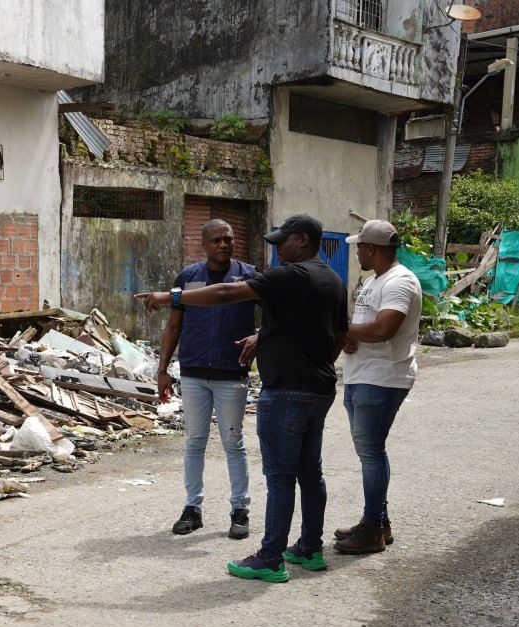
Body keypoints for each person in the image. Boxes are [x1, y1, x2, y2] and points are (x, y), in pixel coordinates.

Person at [136, 214, 348, 583]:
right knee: (309, 473)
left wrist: (168, 295)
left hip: (285, 391)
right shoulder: (332, 279)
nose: (277, 248)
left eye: (282, 241)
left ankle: (269, 557)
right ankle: (310, 548)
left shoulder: (286, 275)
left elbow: (225, 294)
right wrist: (295, 355)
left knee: (280, 477)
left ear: (303, 240)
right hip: (317, 387)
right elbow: (340, 334)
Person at [156, 219, 256, 539]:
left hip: (232, 373)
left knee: (233, 443)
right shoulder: (188, 278)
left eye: (228, 239)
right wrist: (162, 370)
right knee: (194, 442)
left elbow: (278, 315)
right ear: (204, 244)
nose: (224, 245)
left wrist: (261, 336)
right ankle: (192, 509)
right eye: (217, 240)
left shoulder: (249, 277)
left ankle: (239, 510)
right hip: (195, 374)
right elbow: (173, 326)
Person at [333, 219, 422, 555]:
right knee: (368, 452)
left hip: (383, 377)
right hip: (362, 374)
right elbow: (364, 327)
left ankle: (372, 529)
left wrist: (347, 334)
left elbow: (384, 328)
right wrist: (351, 338)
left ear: (371, 249)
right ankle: (378, 522)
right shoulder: (375, 280)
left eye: (359, 247)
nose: (357, 252)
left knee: (371, 453)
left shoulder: (400, 281)